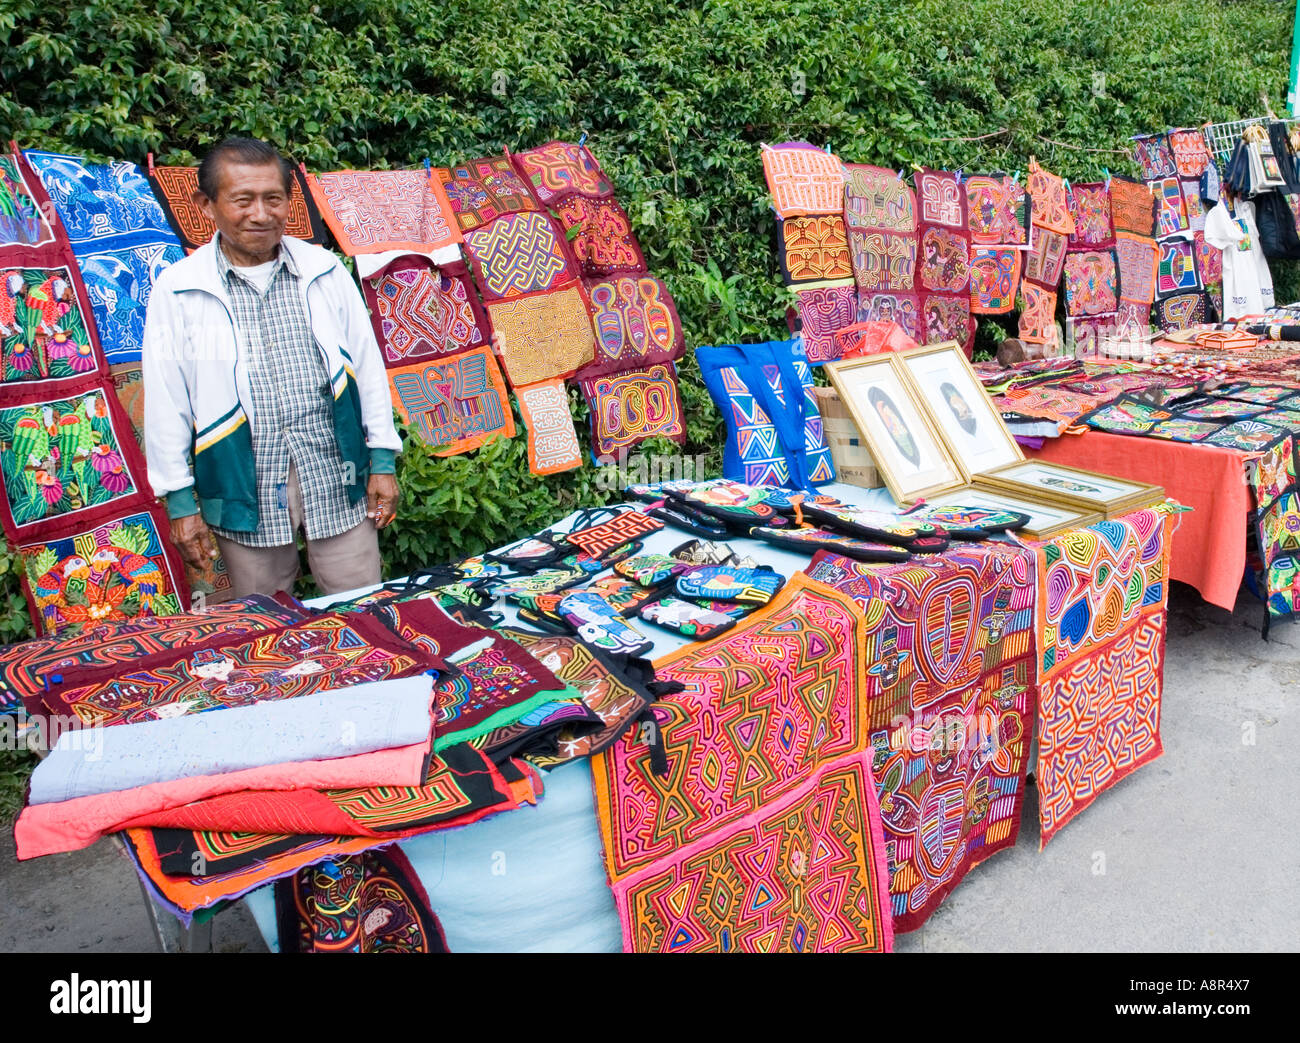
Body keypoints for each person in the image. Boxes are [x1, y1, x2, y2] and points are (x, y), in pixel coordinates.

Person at [142, 136, 401, 597]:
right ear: (207, 205)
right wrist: (181, 502)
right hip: (245, 484)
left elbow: (368, 366)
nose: (260, 214)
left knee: (362, 607)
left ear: (288, 202)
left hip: (336, 476)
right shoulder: (179, 288)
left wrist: (382, 459)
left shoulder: (324, 269)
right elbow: (166, 398)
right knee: (265, 623)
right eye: (243, 200)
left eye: (273, 198)